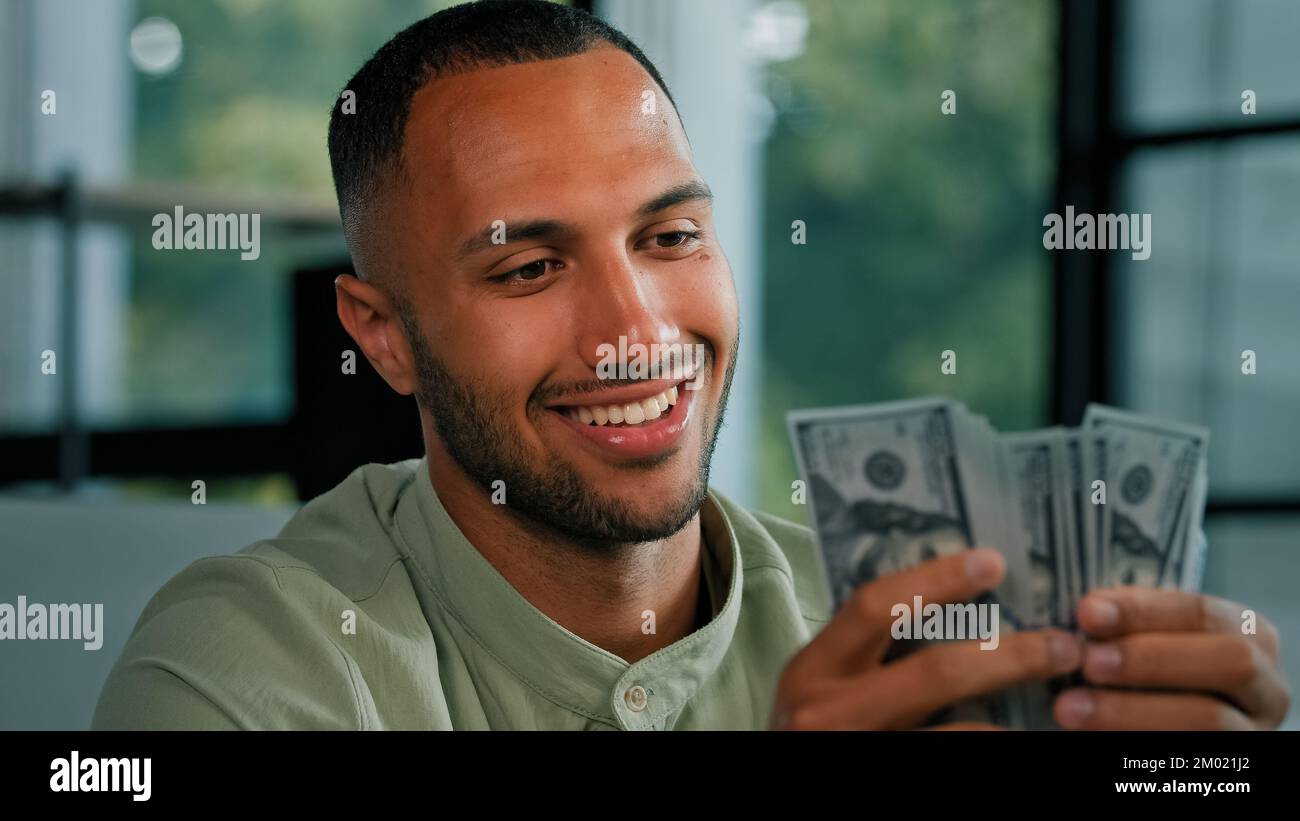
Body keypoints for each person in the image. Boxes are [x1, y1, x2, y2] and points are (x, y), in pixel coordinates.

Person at [93, 0, 1288, 731]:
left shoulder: (903, 627)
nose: (634, 328)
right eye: (527, 269)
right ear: (383, 333)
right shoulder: (246, 669)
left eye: (669, 237)